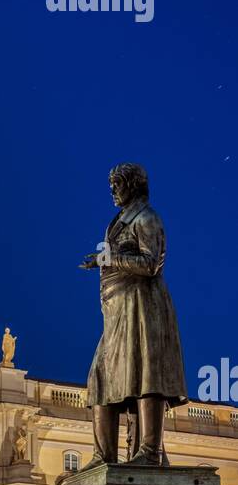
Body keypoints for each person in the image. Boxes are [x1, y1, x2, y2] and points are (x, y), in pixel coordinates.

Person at [80, 164, 187, 467]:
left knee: (145, 372)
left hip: (142, 305)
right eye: (111, 184)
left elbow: (152, 264)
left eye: (117, 184)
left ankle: (150, 453)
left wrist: (109, 258)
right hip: (116, 312)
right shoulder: (119, 221)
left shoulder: (147, 217)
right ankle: (104, 456)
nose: (112, 190)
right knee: (100, 377)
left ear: (133, 185)